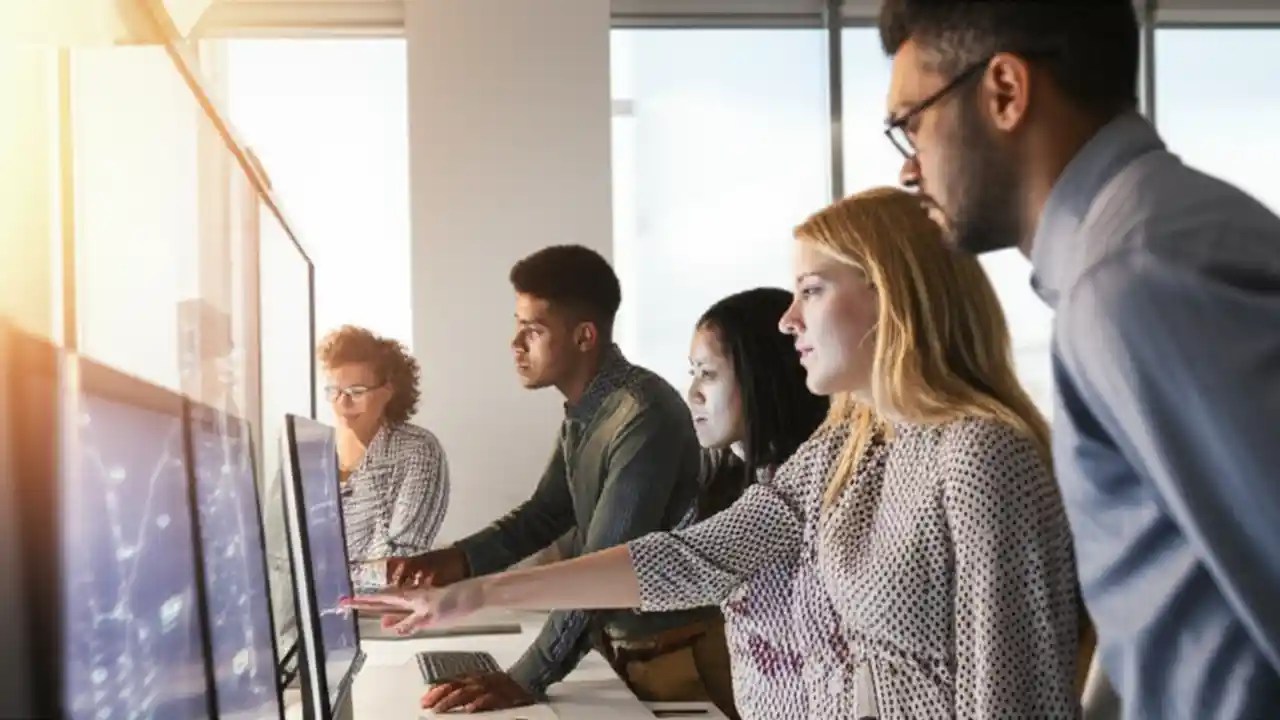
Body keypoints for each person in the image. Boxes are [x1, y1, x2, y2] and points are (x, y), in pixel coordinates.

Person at [346, 188, 1082, 719]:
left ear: (893, 296)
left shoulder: (981, 456)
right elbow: (694, 557)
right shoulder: (846, 445)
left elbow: (1014, 701)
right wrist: (472, 594)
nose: (789, 320)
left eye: (812, 291)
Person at [878, 1, 1280, 717]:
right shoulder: (1148, 241)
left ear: (1005, 91)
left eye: (914, 122)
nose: (909, 169)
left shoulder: (1137, 275)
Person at [378, 245, 727, 713]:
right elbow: (545, 513)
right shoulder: (588, 411)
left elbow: (603, 567)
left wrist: (525, 677)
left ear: (584, 337)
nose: (515, 344)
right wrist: (456, 560)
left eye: (532, 330)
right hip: (627, 652)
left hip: (675, 664)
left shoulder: (643, 414)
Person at [318, 326, 450, 586]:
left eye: (356, 392)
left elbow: (399, 566)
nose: (343, 403)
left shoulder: (417, 450)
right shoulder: (315, 455)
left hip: (381, 614)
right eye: (334, 391)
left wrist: (322, 578)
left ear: (388, 391)